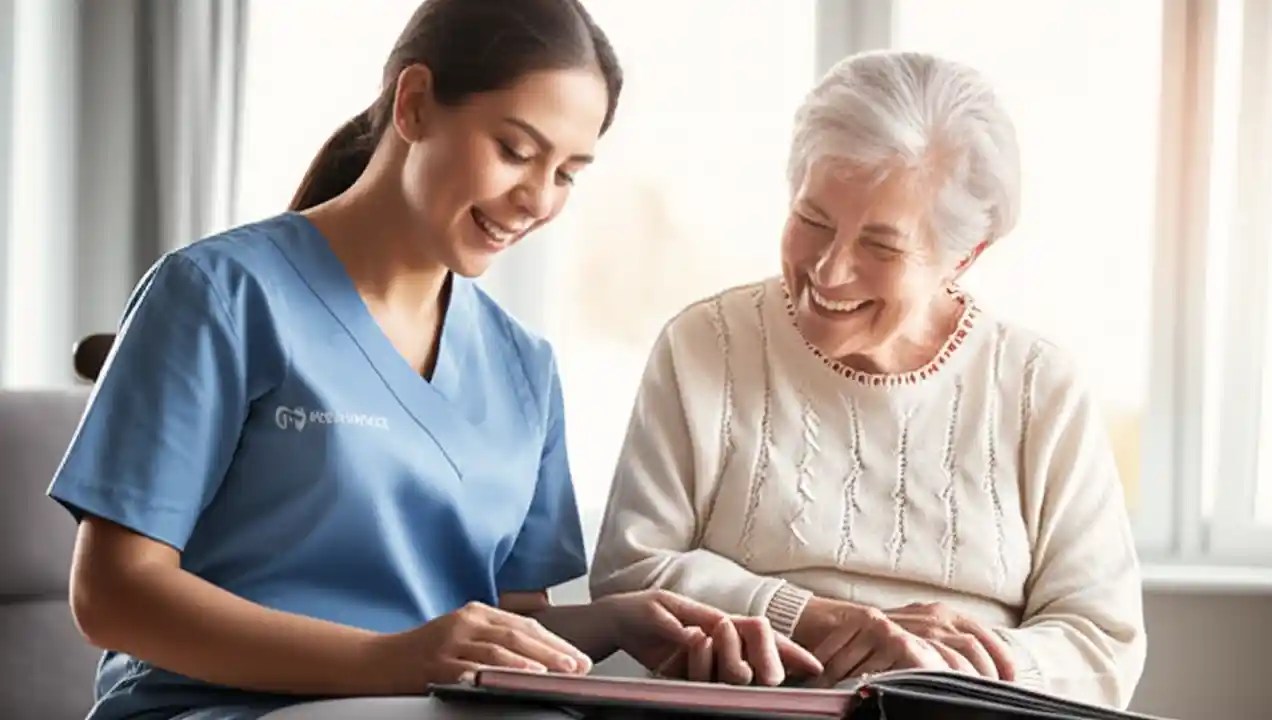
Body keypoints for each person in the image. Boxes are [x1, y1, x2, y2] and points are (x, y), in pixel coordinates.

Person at [47, 2, 819, 719]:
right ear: (413, 104)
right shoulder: (219, 295)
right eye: (515, 150)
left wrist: (618, 623)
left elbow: (507, 627)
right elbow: (115, 597)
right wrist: (390, 661)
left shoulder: (524, 366)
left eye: (568, 173)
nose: (538, 199)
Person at [589, 50, 1147, 708]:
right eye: (813, 221)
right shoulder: (705, 345)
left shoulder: (1038, 387)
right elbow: (632, 569)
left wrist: (947, 667)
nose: (828, 271)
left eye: (880, 246)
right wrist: (809, 617)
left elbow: (1102, 643)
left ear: (962, 257)